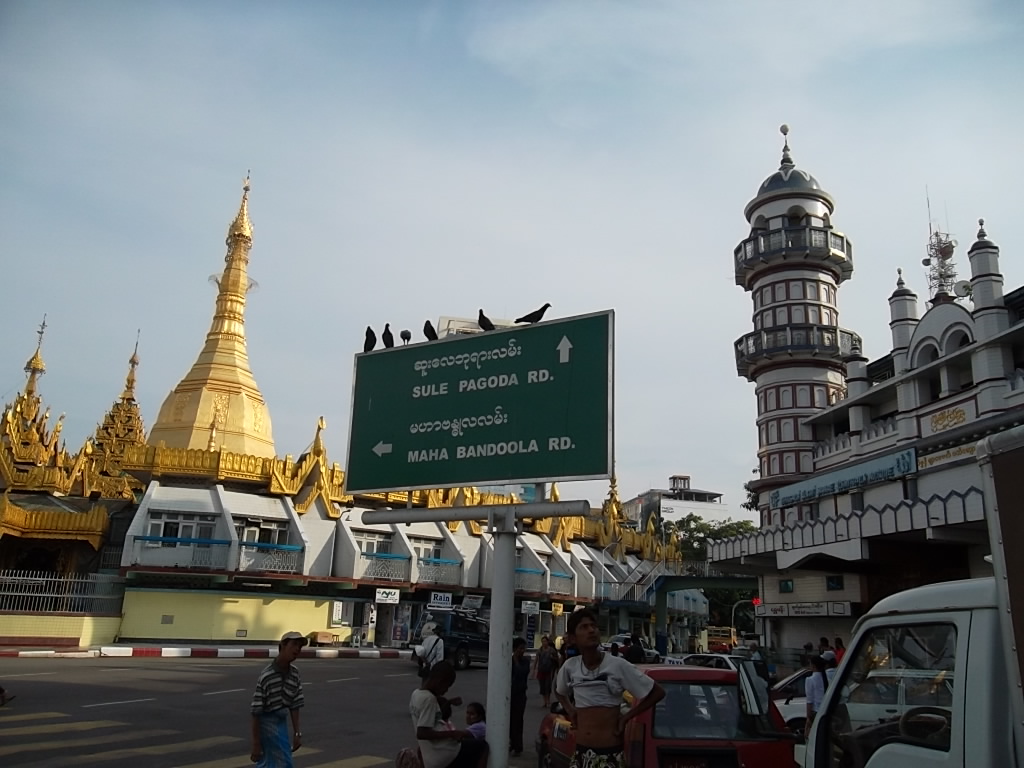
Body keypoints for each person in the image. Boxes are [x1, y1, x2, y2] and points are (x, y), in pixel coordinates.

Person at [556, 608, 665, 767]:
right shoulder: (570, 667)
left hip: (610, 755)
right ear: (572, 638)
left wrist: (627, 717)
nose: (591, 630)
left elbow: (657, 692)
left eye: (593, 626)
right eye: (584, 627)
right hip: (581, 754)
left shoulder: (618, 665)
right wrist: (570, 710)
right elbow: (559, 691)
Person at [410, 661, 488, 768]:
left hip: (430, 757)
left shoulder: (416, 694)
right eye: (447, 686)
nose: (446, 690)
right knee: (482, 747)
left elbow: (432, 712)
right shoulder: (429, 699)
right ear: (440, 681)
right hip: (445, 754)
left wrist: (449, 702)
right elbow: (422, 733)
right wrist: (452, 734)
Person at [250, 631, 307, 767]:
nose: (297, 649)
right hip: (266, 724)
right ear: (282, 646)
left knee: (272, 762)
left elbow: (295, 704)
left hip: (281, 723)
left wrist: (297, 733)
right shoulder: (267, 676)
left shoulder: (294, 674)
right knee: (282, 762)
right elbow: (255, 712)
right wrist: (256, 743)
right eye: (294, 645)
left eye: (300, 646)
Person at [510, 637, 531, 756]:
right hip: (510, 694)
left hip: (520, 694)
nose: (522, 651)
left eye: (523, 649)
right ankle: (511, 743)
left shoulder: (525, 661)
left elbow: (521, 672)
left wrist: (516, 660)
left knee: (518, 720)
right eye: (520, 649)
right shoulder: (509, 661)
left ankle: (518, 746)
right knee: (510, 720)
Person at [804, 655, 830, 739]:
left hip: (815, 711)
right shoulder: (826, 678)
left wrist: (808, 717)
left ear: (813, 666)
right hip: (825, 710)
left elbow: (809, 700)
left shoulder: (810, 680)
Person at [532, 634, 561, 708]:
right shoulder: (540, 650)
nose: (544, 643)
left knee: (547, 685)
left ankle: (548, 700)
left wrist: (553, 659)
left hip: (549, 670)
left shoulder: (551, 650)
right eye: (543, 641)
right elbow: (536, 660)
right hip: (541, 670)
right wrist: (534, 669)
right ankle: (544, 701)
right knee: (542, 686)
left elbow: (557, 659)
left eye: (545, 641)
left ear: (547, 642)